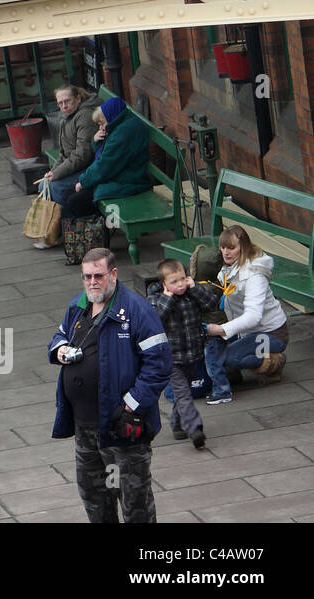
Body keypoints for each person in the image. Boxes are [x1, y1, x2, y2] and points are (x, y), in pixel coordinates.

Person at [49, 248, 171, 523]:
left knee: (134, 502)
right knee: (94, 498)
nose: (92, 282)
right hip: (85, 427)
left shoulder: (138, 310)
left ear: (113, 275)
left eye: (98, 276)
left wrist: (131, 403)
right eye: (87, 276)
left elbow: (160, 364)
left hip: (122, 429)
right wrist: (59, 349)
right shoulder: (78, 305)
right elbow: (59, 334)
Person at [204, 225, 289, 400]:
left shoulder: (255, 275)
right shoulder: (229, 266)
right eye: (223, 247)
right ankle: (234, 372)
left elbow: (253, 316)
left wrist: (221, 329)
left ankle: (273, 361)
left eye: (231, 248)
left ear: (244, 247)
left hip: (271, 333)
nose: (225, 252)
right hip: (246, 330)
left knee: (230, 358)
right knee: (213, 347)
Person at [145, 259, 220, 449]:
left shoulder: (191, 294)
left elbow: (212, 303)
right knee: (183, 393)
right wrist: (167, 298)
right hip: (171, 358)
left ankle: (178, 425)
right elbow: (155, 319)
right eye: (174, 282)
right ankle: (194, 427)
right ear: (164, 284)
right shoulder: (155, 299)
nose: (180, 285)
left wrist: (195, 288)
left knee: (183, 391)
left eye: (182, 279)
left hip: (193, 354)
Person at [57, 96, 149, 246]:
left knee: (75, 200)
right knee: (69, 194)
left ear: (111, 117)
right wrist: (96, 140)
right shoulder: (120, 125)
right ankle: (80, 242)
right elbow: (105, 157)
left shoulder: (124, 133)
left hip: (128, 180)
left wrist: (84, 181)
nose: (101, 127)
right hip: (118, 175)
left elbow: (106, 165)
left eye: (101, 123)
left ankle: (92, 243)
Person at [31, 86, 101, 251]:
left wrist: (57, 174)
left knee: (56, 188)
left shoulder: (84, 117)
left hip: (88, 167)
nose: (64, 106)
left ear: (78, 98)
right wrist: (52, 171)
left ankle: (67, 232)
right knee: (44, 185)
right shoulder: (68, 118)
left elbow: (82, 155)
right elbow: (63, 152)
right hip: (75, 165)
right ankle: (53, 232)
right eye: (60, 103)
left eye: (67, 101)